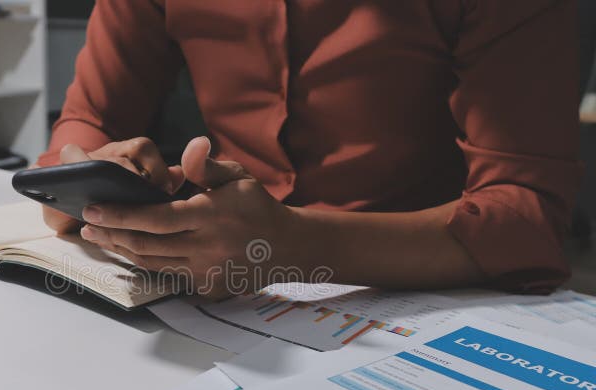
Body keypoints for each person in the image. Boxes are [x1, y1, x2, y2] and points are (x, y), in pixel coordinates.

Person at [38, 0, 581, 297]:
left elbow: (526, 212)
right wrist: (88, 177)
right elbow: (88, 122)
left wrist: (296, 244)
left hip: (418, 285)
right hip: (216, 284)